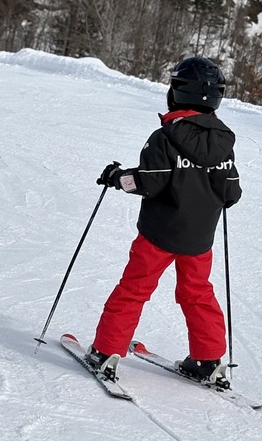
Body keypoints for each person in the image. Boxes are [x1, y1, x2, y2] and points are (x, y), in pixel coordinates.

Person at [87, 56, 241, 382]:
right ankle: (208, 360)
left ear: (178, 93)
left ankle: (105, 352)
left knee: (134, 289)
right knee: (198, 293)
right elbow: (231, 192)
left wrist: (117, 177)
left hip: (158, 235)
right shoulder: (223, 142)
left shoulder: (166, 137)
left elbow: (148, 181)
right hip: (199, 241)